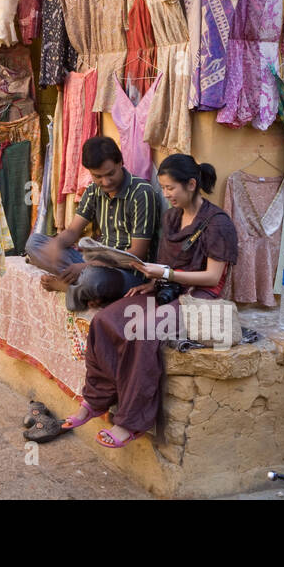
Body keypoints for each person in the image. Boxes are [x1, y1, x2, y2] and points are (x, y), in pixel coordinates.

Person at [58, 153, 238, 443]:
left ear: (191, 184)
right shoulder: (172, 217)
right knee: (105, 320)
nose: (166, 195)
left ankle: (131, 422)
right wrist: (152, 283)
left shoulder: (217, 223)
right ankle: (97, 399)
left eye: (170, 188)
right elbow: (166, 266)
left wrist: (166, 273)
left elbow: (213, 278)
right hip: (167, 289)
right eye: (163, 188)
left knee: (142, 331)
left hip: (199, 299)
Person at [25, 136, 160, 310]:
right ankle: (86, 288)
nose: (106, 182)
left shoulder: (141, 193)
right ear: (89, 172)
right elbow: (73, 231)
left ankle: (71, 289)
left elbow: (137, 255)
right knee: (35, 243)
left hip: (126, 273)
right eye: (98, 176)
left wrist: (85, 267)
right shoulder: (93, 190)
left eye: (110, 173)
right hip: (94, 263)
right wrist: (56, 245)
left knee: (93, 278)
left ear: (121, 163)